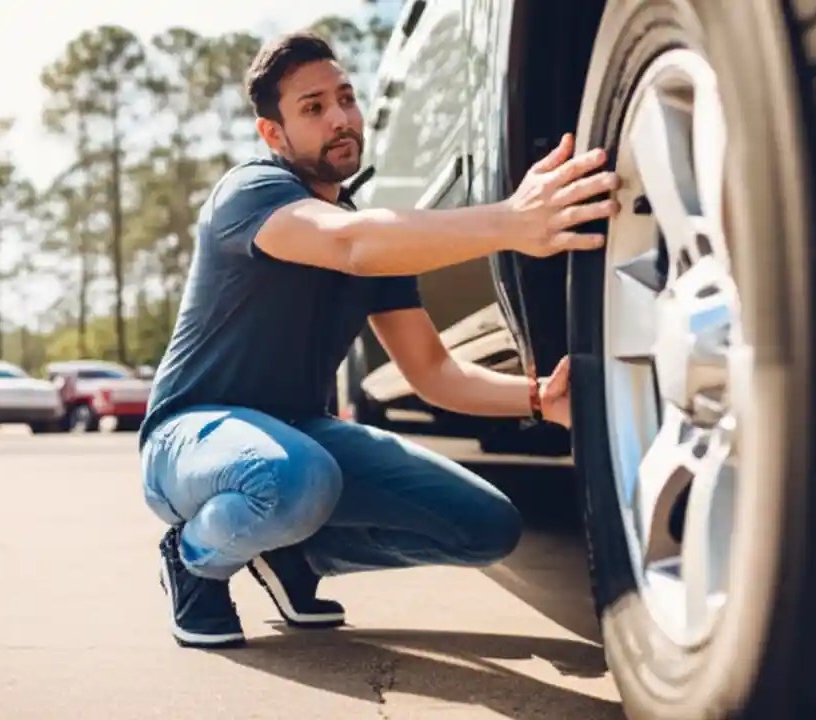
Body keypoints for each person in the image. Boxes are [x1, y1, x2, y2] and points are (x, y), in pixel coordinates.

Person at [140, 31, 619, 648]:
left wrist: (535, 399)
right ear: (273, 135)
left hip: (296, 441)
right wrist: (511, 222)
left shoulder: (369, 229)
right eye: (313, 108)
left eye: (345, 98)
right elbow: (350, 245)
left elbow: (432, 371)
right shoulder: (250, 192)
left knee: (486, 527)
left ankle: (292, 555)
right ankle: (196, 557)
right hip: (188, 439)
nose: (340, 119)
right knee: (297, 480)